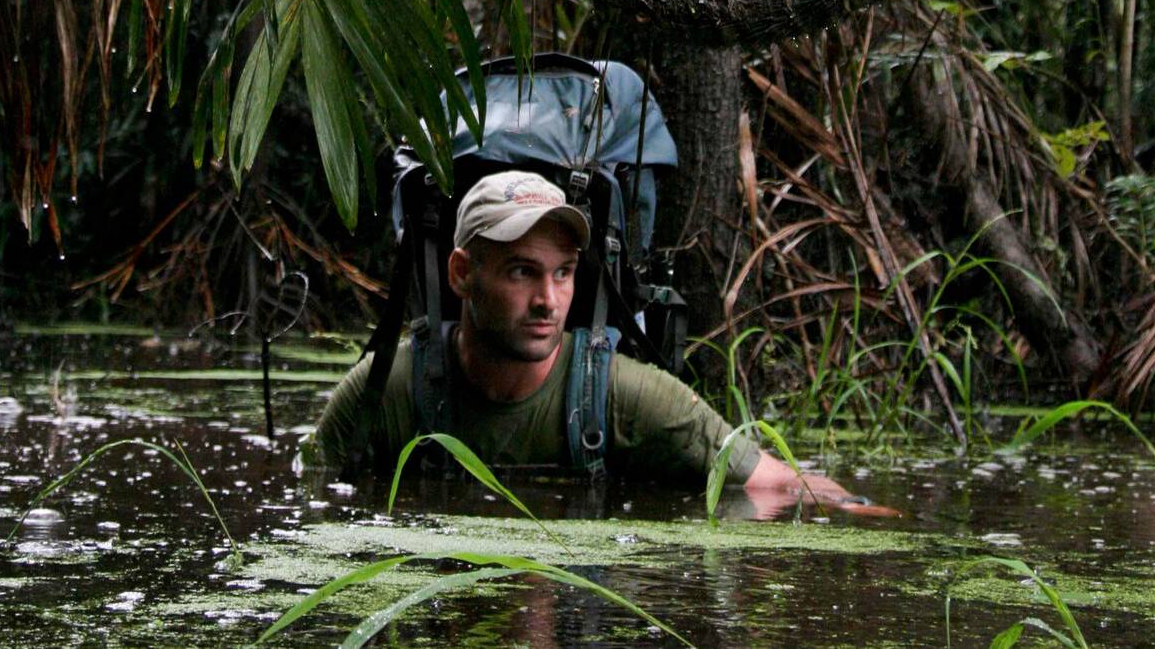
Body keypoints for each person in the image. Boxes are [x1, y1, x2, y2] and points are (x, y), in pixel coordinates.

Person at [304, 171, 895, 518]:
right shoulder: (387, 392)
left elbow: (779, 482)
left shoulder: (621, 395)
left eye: (563, 273)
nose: (548, 300)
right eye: (521, 272)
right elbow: (310, 491)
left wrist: (880, 518)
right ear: (462, 274)